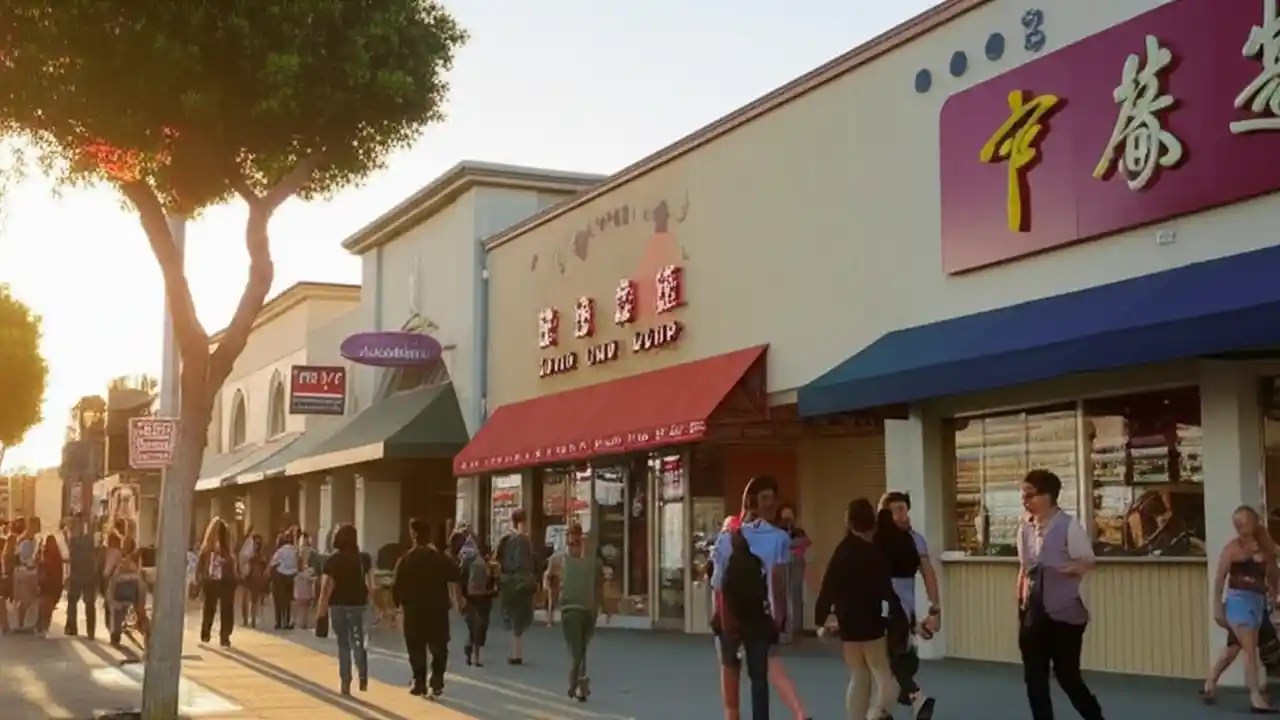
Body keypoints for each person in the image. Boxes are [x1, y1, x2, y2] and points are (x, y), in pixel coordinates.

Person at [710, 476, 810, 720]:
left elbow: (718, 584)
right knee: (759, 681)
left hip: (730, 616)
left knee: (731, 684)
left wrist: (718, 618)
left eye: (772, 498)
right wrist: (780, 619)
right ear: (754, 501)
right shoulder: (779, 538)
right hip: (759, 616)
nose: (770, 504)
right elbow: (778, 583)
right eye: (766, 498)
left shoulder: (726, 537)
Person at [1017, 469, 1105, 720]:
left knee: (1067, 676)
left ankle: (1094, 716)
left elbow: (1088, 561)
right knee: (1034, 676)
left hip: (1065, 613)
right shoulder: (1025, 529)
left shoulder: (1069, 526)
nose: (1025, 501)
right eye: (1023, 496)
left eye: (1030, 495)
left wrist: (1069, 568)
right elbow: (1024, 569)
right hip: (1034, 612)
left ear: (1048, 496)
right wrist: (1021, 605)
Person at [816, 498, 901, 720]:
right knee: (882, 673)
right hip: (872, 620)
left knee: (858, 675)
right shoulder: (875, 553)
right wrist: (899, 615)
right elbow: (886, 589)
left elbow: (828, 586)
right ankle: (878, 712)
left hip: (848, 622)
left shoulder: (842, 551)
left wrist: (821, 618)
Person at [1208, 505, 1280, 712]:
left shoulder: (1265, 547)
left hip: (1257, 603)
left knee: (1234, 649)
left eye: (1244, 522)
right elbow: (1219, 578)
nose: (1240, 526)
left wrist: (1275, 595)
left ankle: (1210, 682)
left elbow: (1273, 574)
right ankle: (1256, 697)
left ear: (1254, 522)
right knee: (1249, 648)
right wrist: (1217, 608)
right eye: (1237, 523)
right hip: (1238, 603)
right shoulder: (1232, 548)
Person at [877, 491, 939, 719]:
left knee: (902, 660)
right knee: (885, 661)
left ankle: (896, 703)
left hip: (904, 610)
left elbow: (928, 573)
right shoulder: (876, 540)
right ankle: (909, 698)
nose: (903, 515)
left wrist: (935, 608)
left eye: (904, 509)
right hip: (880, 608)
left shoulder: (915, 540)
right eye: (897, 510)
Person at [393, 518, 462, 699]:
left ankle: (419, 682)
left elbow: (396, 586)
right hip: (437, 610)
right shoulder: (440, 558)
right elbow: (455, 575)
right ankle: (437, 681)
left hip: (414, 610)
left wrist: (397, 606)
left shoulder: (406, 560)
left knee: (415, 646)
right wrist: (458, 600)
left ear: (413, 535)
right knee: (439, 647)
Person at [716, 523, 775, 720]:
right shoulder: (757, 565)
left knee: (731, 680)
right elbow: (766, 595)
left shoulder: (728, 568)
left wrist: (727, 629)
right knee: (759, 680)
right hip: (757, 626)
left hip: (733, 628)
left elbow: (723, 598)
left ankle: (733, 715)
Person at [548, 522, 607, 702]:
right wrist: (604, 606)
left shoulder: (562, 560)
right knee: (579, 649)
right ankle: (580, 684)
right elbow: (599, 585)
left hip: (578, 610)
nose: (574, 542)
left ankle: (577, 683)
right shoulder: (568, 560)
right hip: (581, 609)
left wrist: (550, 612)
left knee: (578, 650)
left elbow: (552, 588)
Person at [317, 523, 373, 695]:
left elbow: (327, 587)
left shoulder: (332, 560)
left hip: (338, 606)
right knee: (358, 641)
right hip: (358, 606)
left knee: (343, 644)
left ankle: (345, 682)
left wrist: (321, 610)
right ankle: (362, 674)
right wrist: (372, 603)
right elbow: (371, 585)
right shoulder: (364, 559)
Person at [496, 508, 537, 665]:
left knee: (512, 617)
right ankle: (517, 653)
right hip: (521, 582)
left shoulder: (505, 539)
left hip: (507, 582)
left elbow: (498, 560)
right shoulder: (524, 541)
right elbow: (526, 563)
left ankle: (515, 652)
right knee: (520, 617)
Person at [197, 517, 237, 647]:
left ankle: (222, 636)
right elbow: (200, 566)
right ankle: (209, 633)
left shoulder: (226, 550)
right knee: (212, 608)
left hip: (224, 581)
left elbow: (231, 565)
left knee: (223, 608)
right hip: (213, 581)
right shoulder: (207, 550)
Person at [776, 504, 811, 645]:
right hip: (781, 567)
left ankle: (796, 630)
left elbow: (806, 541)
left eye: (790, 517)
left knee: (795, 597)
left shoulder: (798, 532)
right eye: (785, 517)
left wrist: (791, 544)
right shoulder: (777, 532)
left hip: (796, 567)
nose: (788, 520)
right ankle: (782, 629)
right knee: (781, 598)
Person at [458, 534, 496, 667]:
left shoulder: (464, 562)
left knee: (473, 627)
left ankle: (471, 649)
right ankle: (475, 657)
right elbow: (491, 581)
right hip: (483, 598)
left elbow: (460, 582)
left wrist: (461, 599)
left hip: (470, 598)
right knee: (479, 627)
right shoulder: (484, 562)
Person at [64, 517, 99, 638]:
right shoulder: (90, 540)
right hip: (88, 575)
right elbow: (95, 556)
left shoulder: (73, 541)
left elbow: (71, 557)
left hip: (77, 575)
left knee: (72, 601)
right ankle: (90, 631)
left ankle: (72, 627)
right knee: (89, 603)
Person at [36, 521, 64, 635]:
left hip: (53, 584)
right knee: (44, 605)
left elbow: (60, 572)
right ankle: (41, 626)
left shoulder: (56, 557)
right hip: (46, 583)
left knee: (48, 607)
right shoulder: (45, 555)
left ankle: (44, 626)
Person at [269, 531, 299, 630]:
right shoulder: (294, 550)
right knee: (287, 601)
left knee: (278, 600)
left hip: (280, 577)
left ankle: (278, 622)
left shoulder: (280, 551)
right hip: (291, 577)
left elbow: (273, 564)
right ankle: (286, 621)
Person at [294, 532, 316, 630]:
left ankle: (302, 622)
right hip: (303, 578)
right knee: (302, 603)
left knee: (303, 603)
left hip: (304, 578)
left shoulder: (307, 551)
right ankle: (302, 622)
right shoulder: (302, 551)